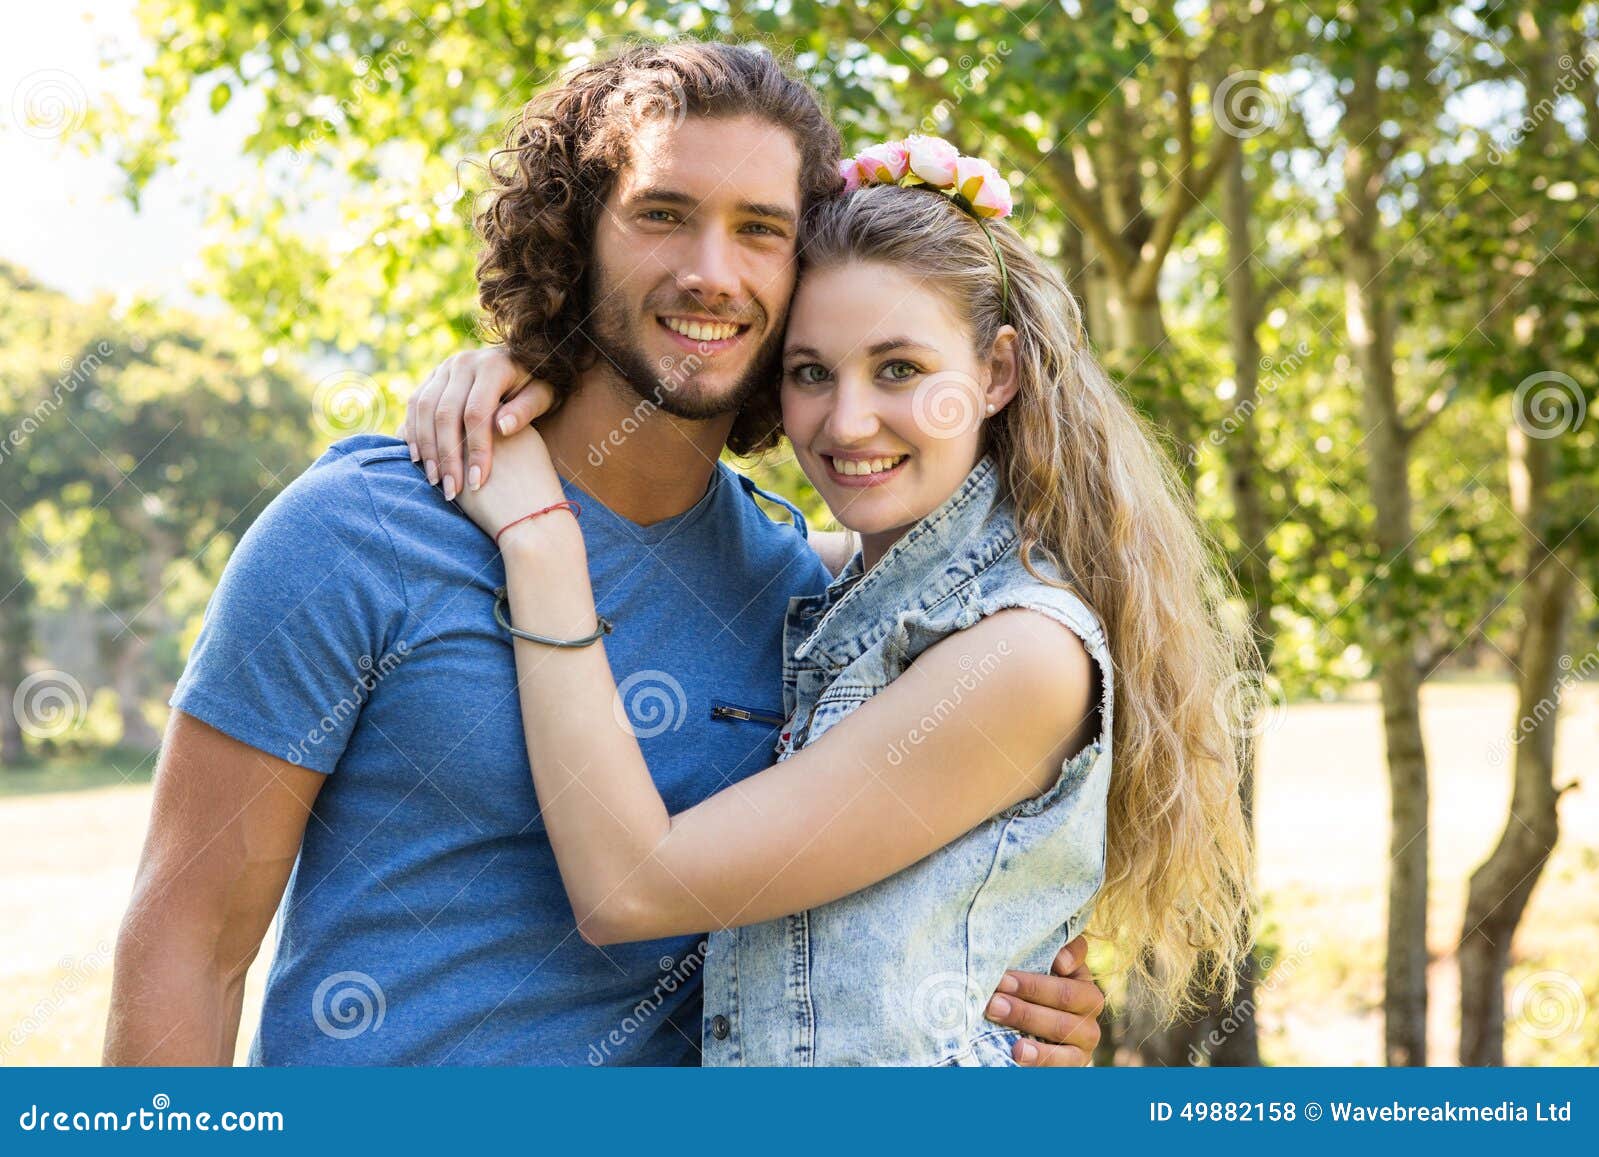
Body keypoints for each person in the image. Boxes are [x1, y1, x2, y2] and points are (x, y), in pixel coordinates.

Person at [103, 41, 1104, 1067]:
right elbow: (189, 942)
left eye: (759, 229)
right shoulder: (358, 532)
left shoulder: (805, 599)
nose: (710, 272)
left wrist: (1009, 1000)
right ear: (577, 233)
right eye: (661, 213)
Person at [415, 128, 1256, 1065]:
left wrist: (537, 537)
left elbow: (632, 888)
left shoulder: (1023, 654)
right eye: (812, 372)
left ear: (997, 375)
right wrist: (507, 374)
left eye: (899, 369)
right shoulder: (843, 586)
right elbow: (686, 545)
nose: (848, 422)